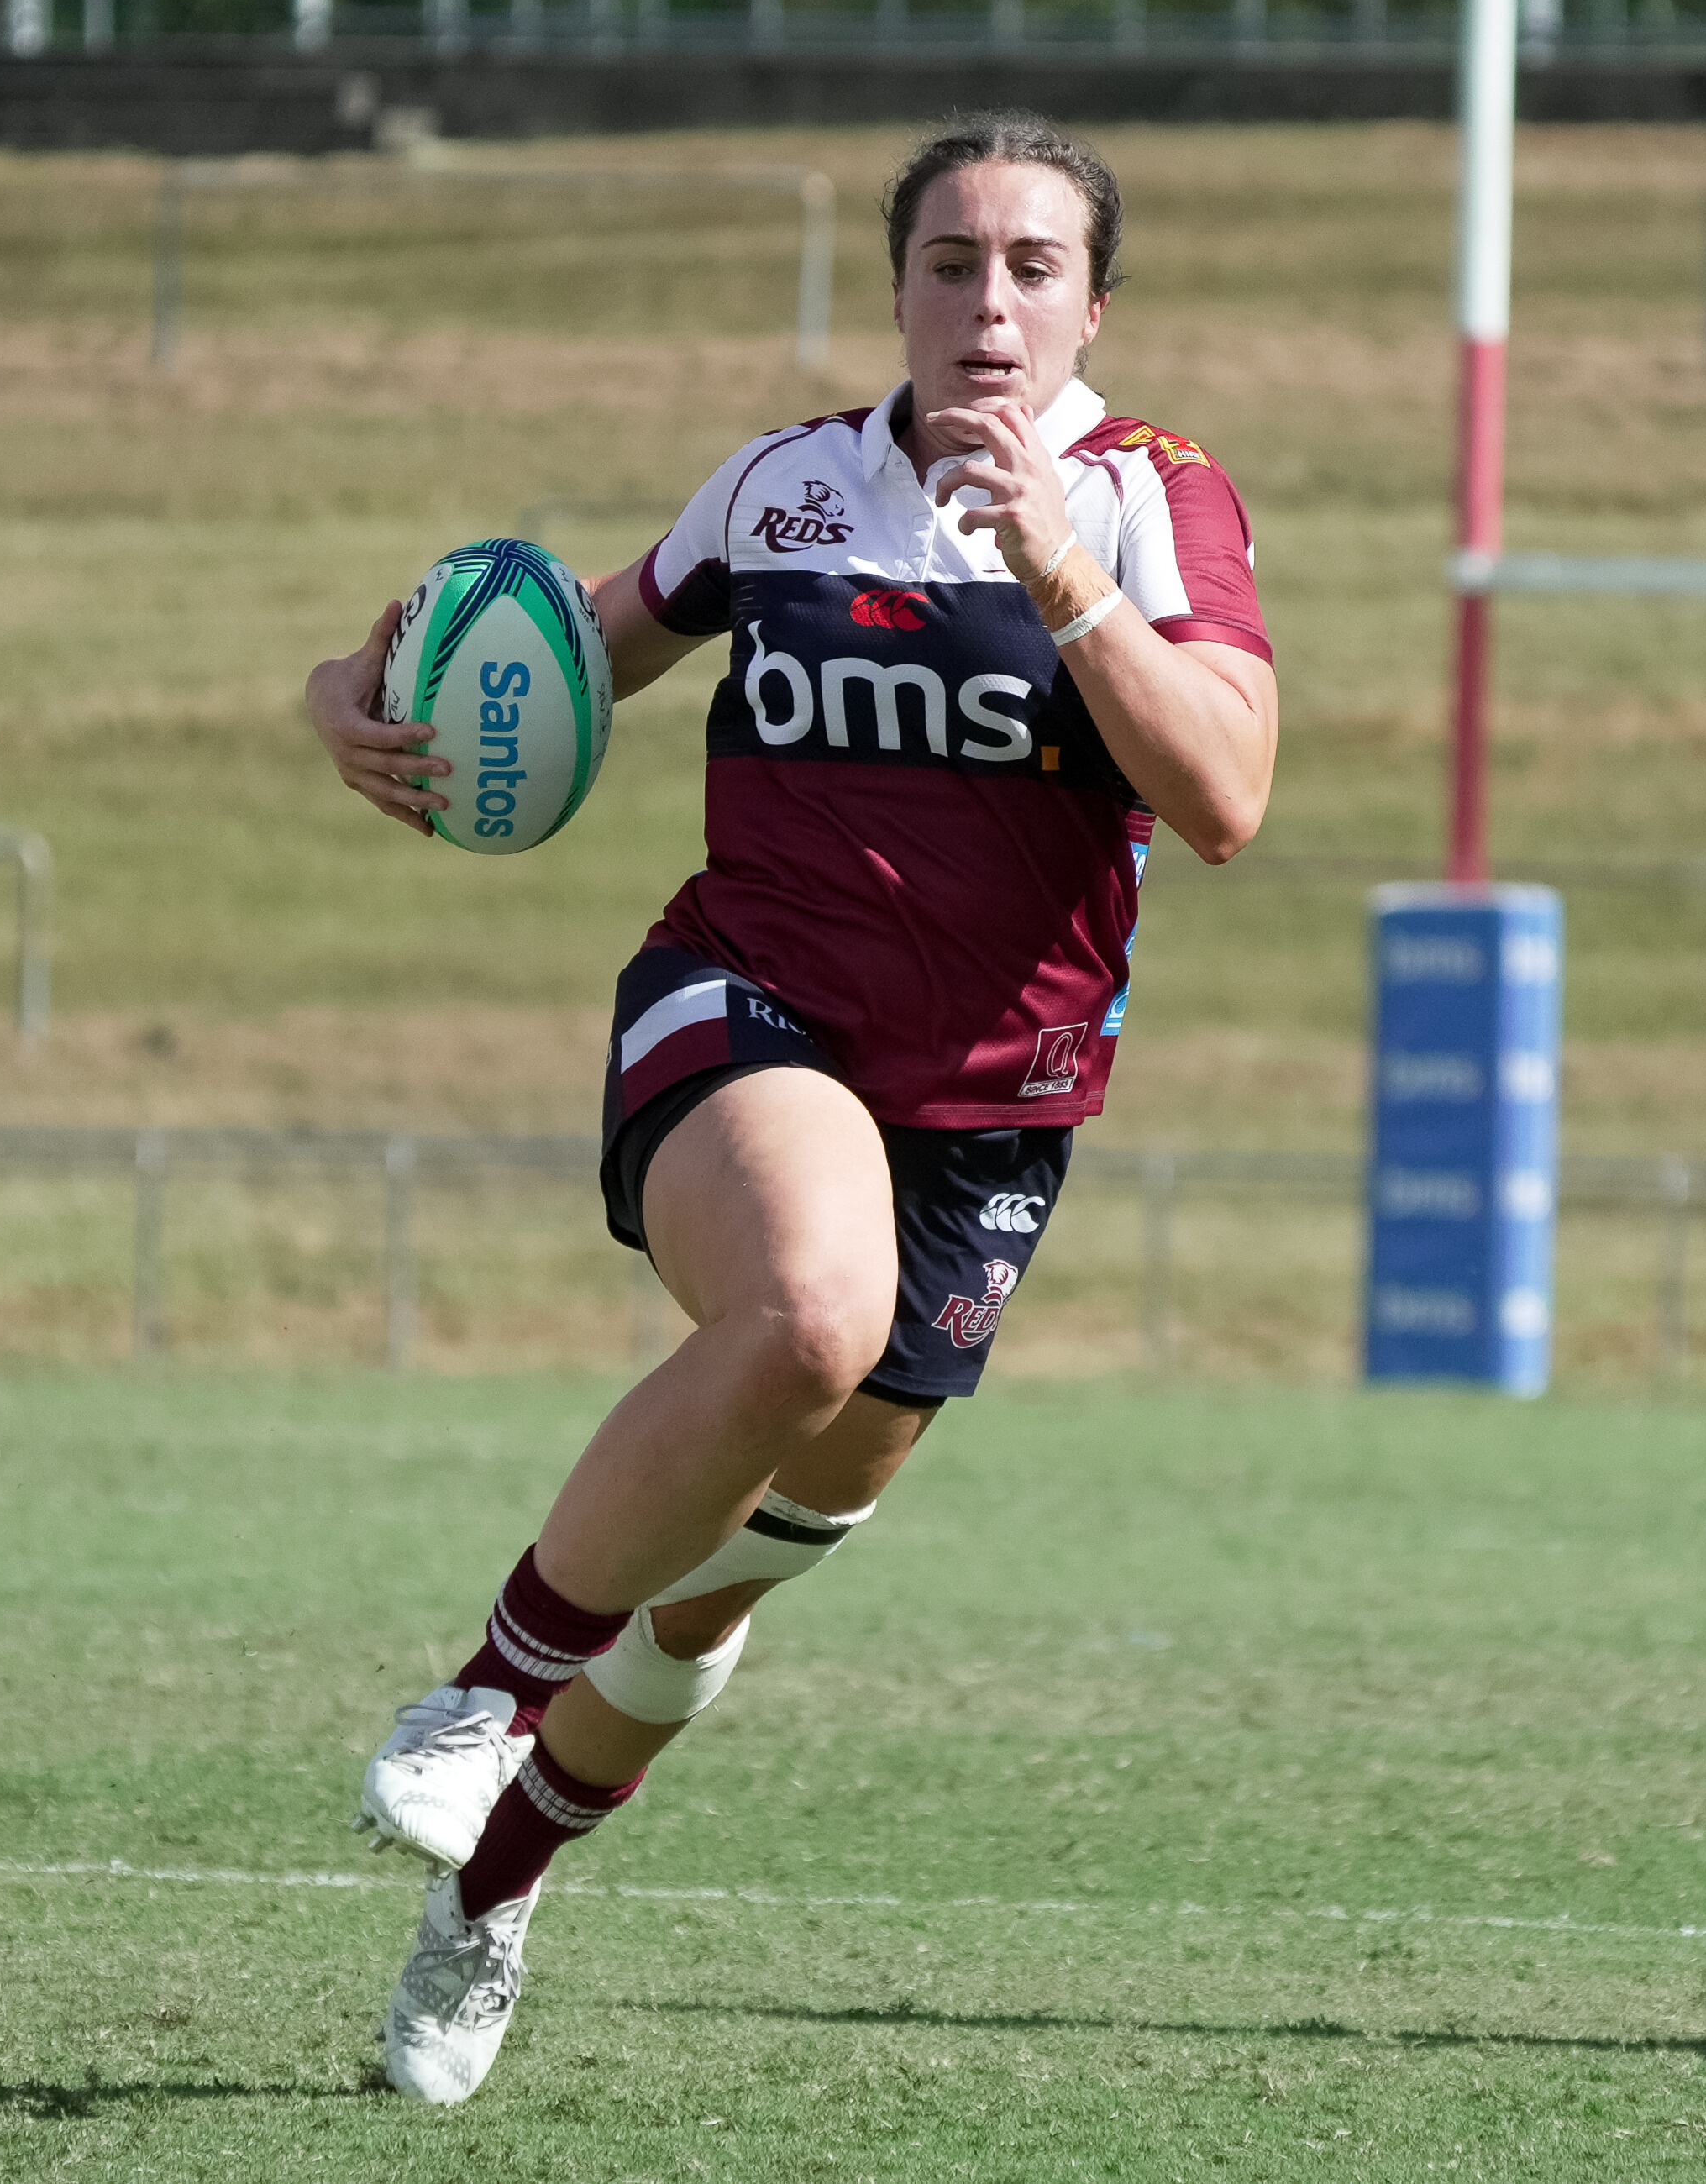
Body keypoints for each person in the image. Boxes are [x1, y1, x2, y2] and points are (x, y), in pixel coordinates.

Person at [301, 112, 1277, 2104]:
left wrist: (1064, 580)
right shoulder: (783, 487)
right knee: (808, 1311)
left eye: (1027, 266)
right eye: (946, 262)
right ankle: (482, 1691)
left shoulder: (1160, 504)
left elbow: (1226, 797)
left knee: (726, 1593)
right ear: (897, 287)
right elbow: (552, 644)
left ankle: (488, 1899)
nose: (984, 303)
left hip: (992, 1118)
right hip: (744, 1009)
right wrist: (343, 689)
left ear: (1095, 302)